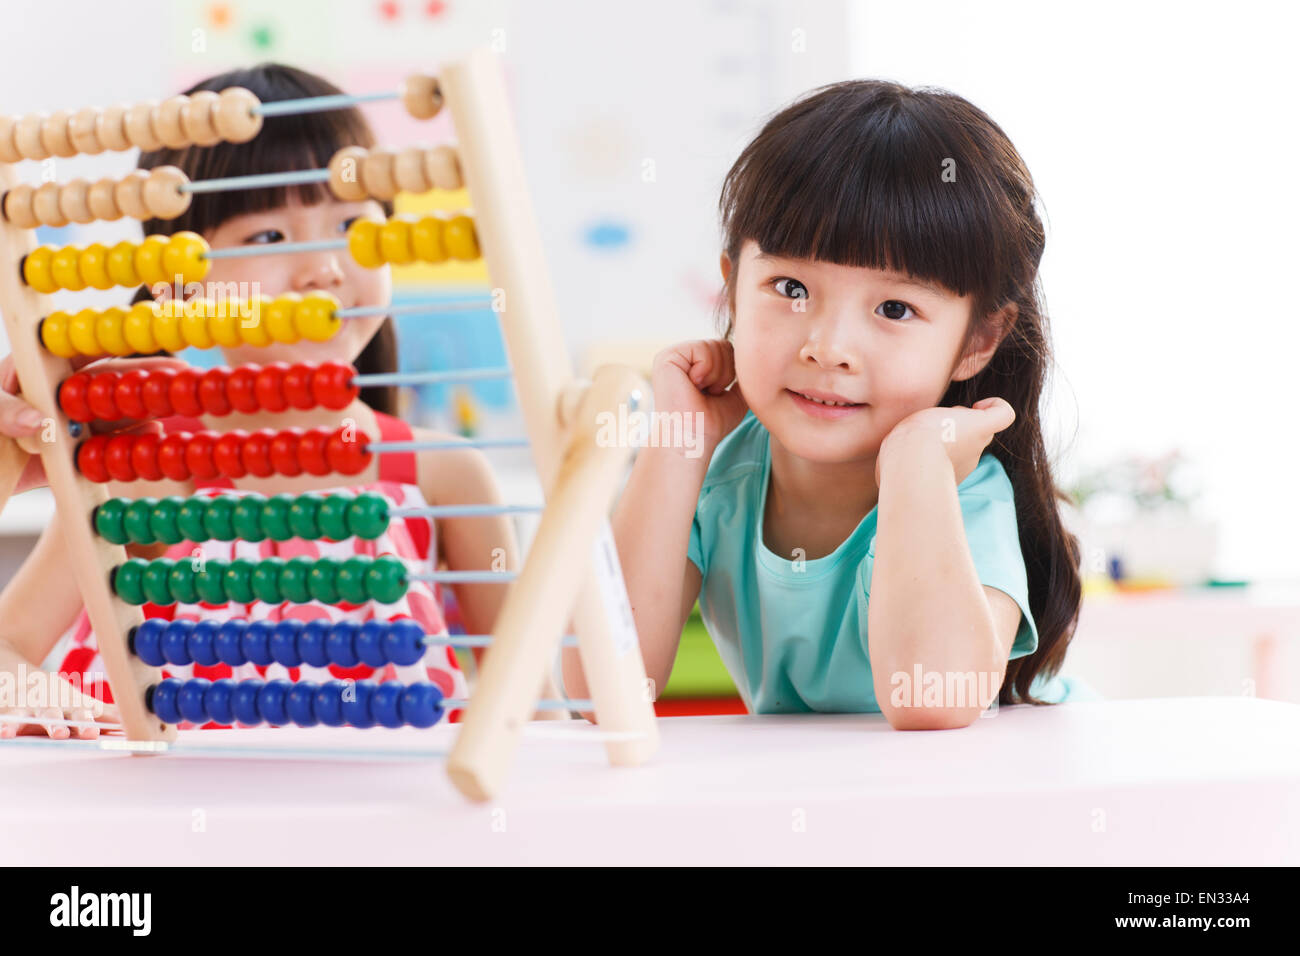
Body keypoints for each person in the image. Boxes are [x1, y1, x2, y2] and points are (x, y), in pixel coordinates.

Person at [0, 63, 535, 739]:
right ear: (180, 283)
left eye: (353, 227)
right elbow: (8, 643)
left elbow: (529, 704)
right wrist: (29, 690)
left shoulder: (445, 477)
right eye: (269, 237)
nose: (325, 266)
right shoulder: (147, 470)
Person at [564, 78, 1099, 727]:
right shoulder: (720, 480)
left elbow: (935, 703)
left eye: (895, 308)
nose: (828, 348)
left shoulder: (961, 490)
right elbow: (598, 691)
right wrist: (680, 441)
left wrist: (914, 471)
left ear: (977, 342)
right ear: (732, 289)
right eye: (790, 286)